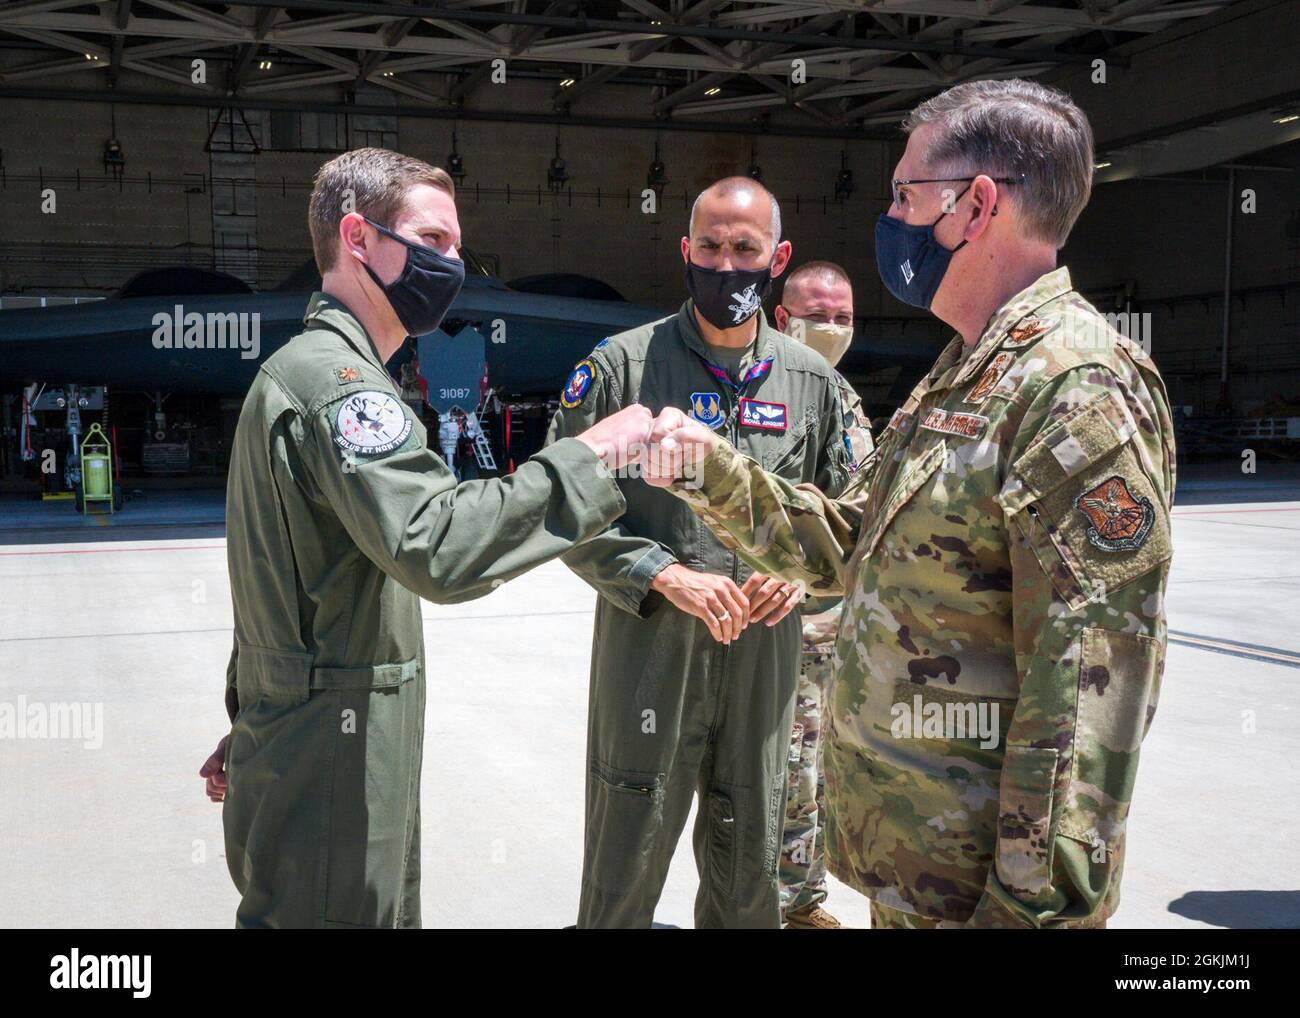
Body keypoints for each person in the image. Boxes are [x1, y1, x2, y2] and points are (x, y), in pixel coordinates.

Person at [644, 79, 1175, 929]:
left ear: (976, 206)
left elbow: (1088, 687)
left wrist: (1030, 911)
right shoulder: (965, 370)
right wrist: (711, 471)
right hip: (918, 872)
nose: (888, 216)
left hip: (986, 902)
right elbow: (854, 542)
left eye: (904, 193)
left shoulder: (1075, 388)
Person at [199, 147, 652, 928]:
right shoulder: (340, 390)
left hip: (312, 737)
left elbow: (286, 582)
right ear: (358, 237)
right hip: (330, 760)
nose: (453, 263)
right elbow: (436, 547)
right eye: (434, 241)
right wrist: (591, 455)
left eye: (456, 246)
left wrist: (252, 717)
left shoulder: (306, 374)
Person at [546, 177, 852, 928]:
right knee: (627, 844)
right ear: (685, 251)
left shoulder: (814, 383)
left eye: (743, 249)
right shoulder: (622, 368)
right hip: (652, 647)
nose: (725, 264)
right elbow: (558, 504)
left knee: (751, 858)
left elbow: (849, 521)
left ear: (775, 258)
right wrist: (661, 572)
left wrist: (803, 582)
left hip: (764, 656)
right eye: (709, 247)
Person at [771, 261, 873, 929]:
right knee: (780, 768)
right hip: (764, 615)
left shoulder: (844, 399)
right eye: (818, 315)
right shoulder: (762, 389)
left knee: (816, 767)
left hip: (831, 622)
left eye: (843, 318)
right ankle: (775, 904)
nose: (831, 328)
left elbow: (861, 499)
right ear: (783, 318)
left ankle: (801, 902)